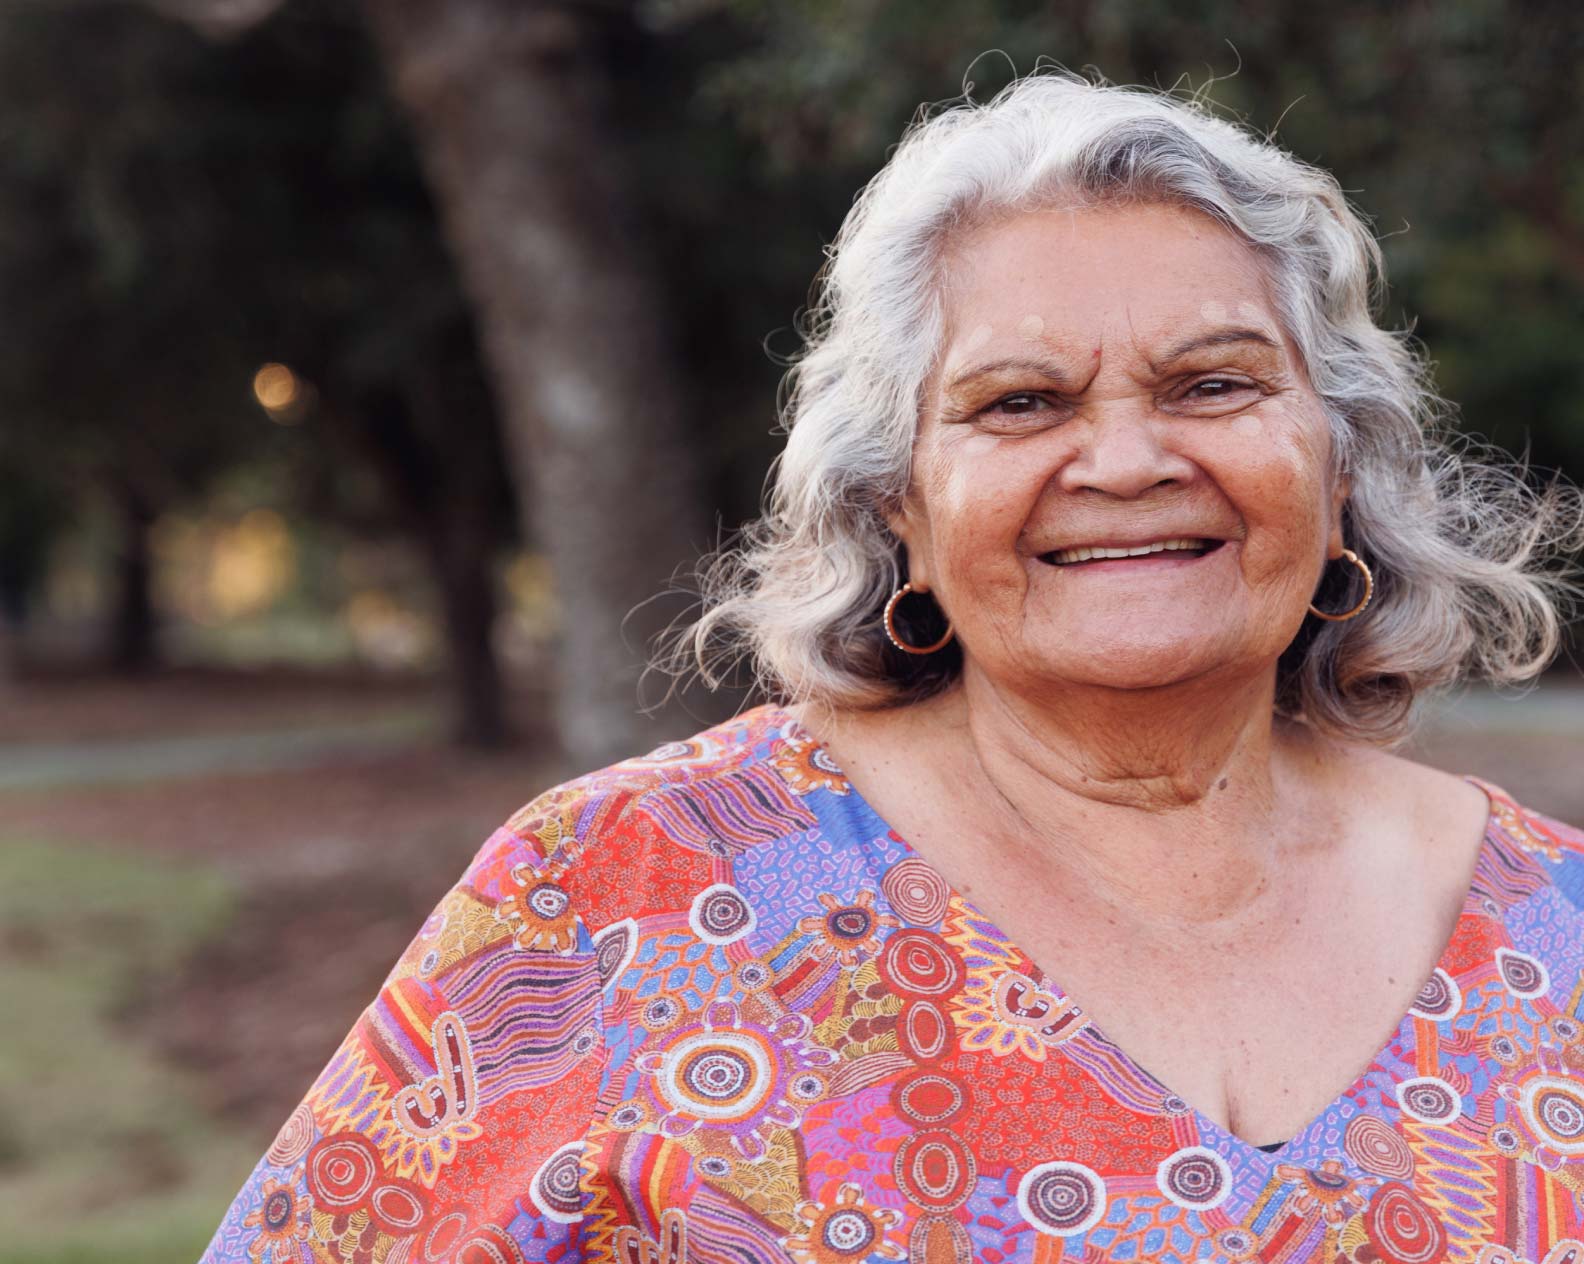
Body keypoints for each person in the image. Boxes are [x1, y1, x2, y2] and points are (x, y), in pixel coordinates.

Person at [200, 70, 1584, 1264]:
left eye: (1213, 384)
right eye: (1020, 402)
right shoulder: (627, 894)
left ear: (1337, 465)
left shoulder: (1557, 929)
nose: (1125, 461)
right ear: (895, 508)